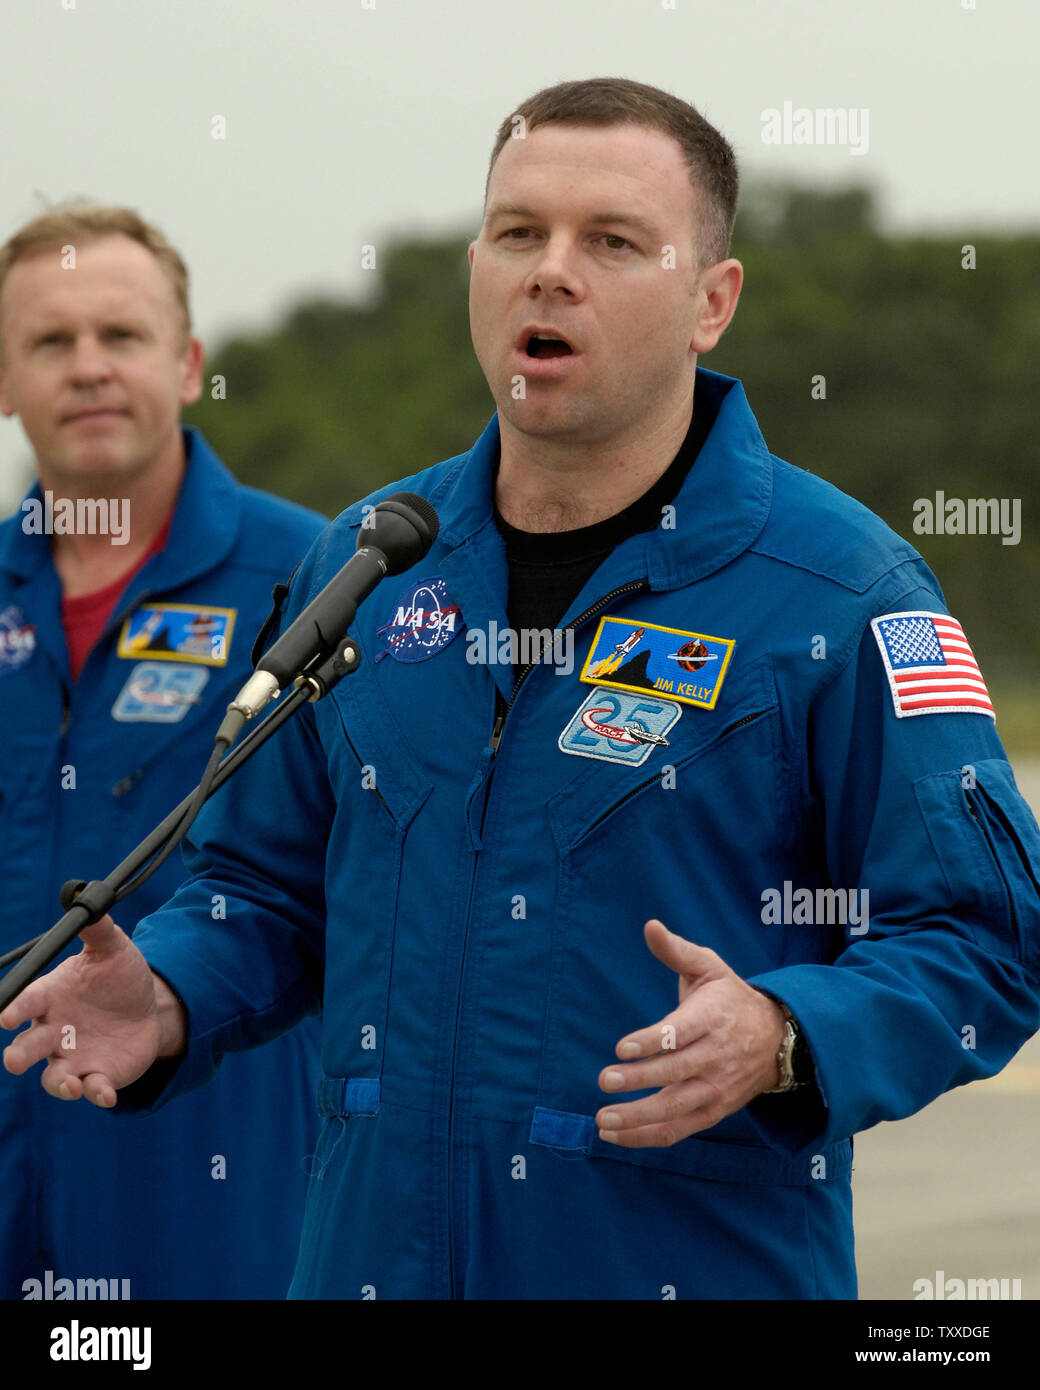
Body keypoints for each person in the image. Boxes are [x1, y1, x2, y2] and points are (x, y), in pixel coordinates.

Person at [4, 81, 1040, 1300]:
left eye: (609, 241)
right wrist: (173, 989)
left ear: (712, 300)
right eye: (514, 234)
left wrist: (787, 1033)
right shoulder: (367, 562)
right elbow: (263, 889)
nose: (548, 273)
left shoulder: (841, 591)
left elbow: (987, 937)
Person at [0, 205, 326, 1299]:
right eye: (51, 342)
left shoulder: (315, 587)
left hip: (213, 1185)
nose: (89, 368)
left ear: (186, 365)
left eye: (122, 335)